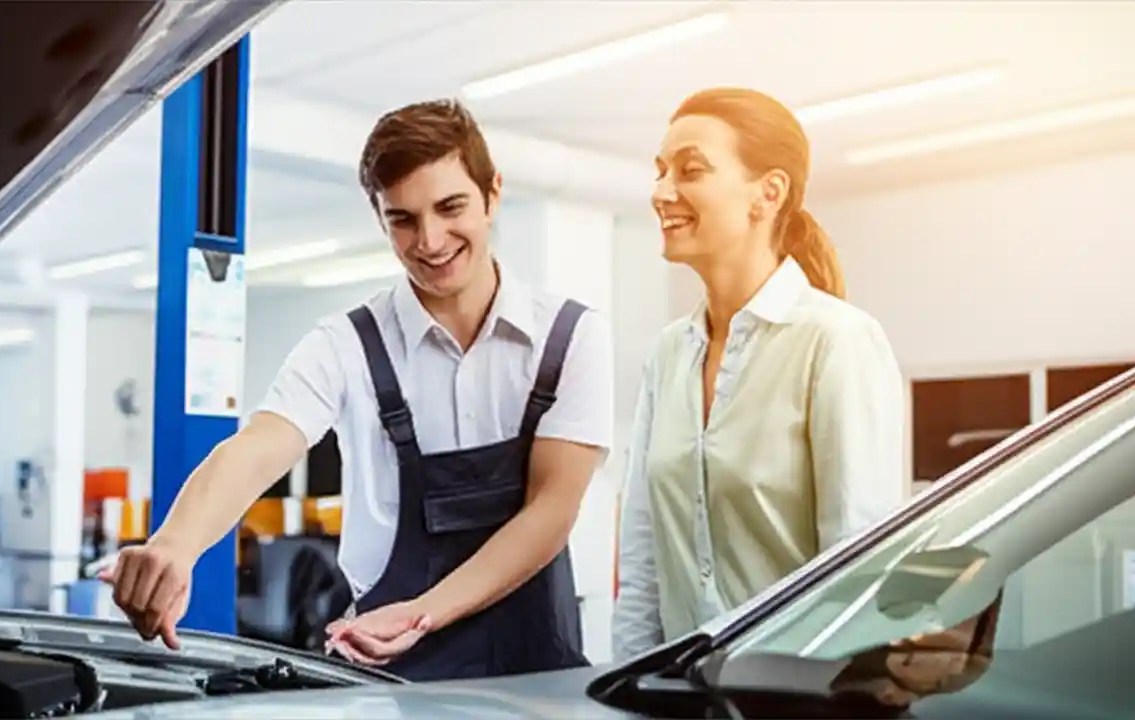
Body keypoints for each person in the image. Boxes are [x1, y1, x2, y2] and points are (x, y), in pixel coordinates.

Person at [103, 98, 614, 682]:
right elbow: (257, 448)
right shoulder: (346, 344)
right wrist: (176, 542)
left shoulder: (570, 338)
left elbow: (551, 511)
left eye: (451, 207)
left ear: (492, 193)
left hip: (535, 675)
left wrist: (423, 614)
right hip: (390, 672)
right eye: (402, 218)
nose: (431, 239)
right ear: (379, 218)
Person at [611, 87, 906, 661]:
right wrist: (629, 684)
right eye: (660, 171)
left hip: (793, 695)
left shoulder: (835, 341)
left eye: (689, 170)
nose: (661, 192)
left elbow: (854, 564)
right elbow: (644, 560)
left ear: (768, 194)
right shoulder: (669, 353)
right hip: (680, 693)